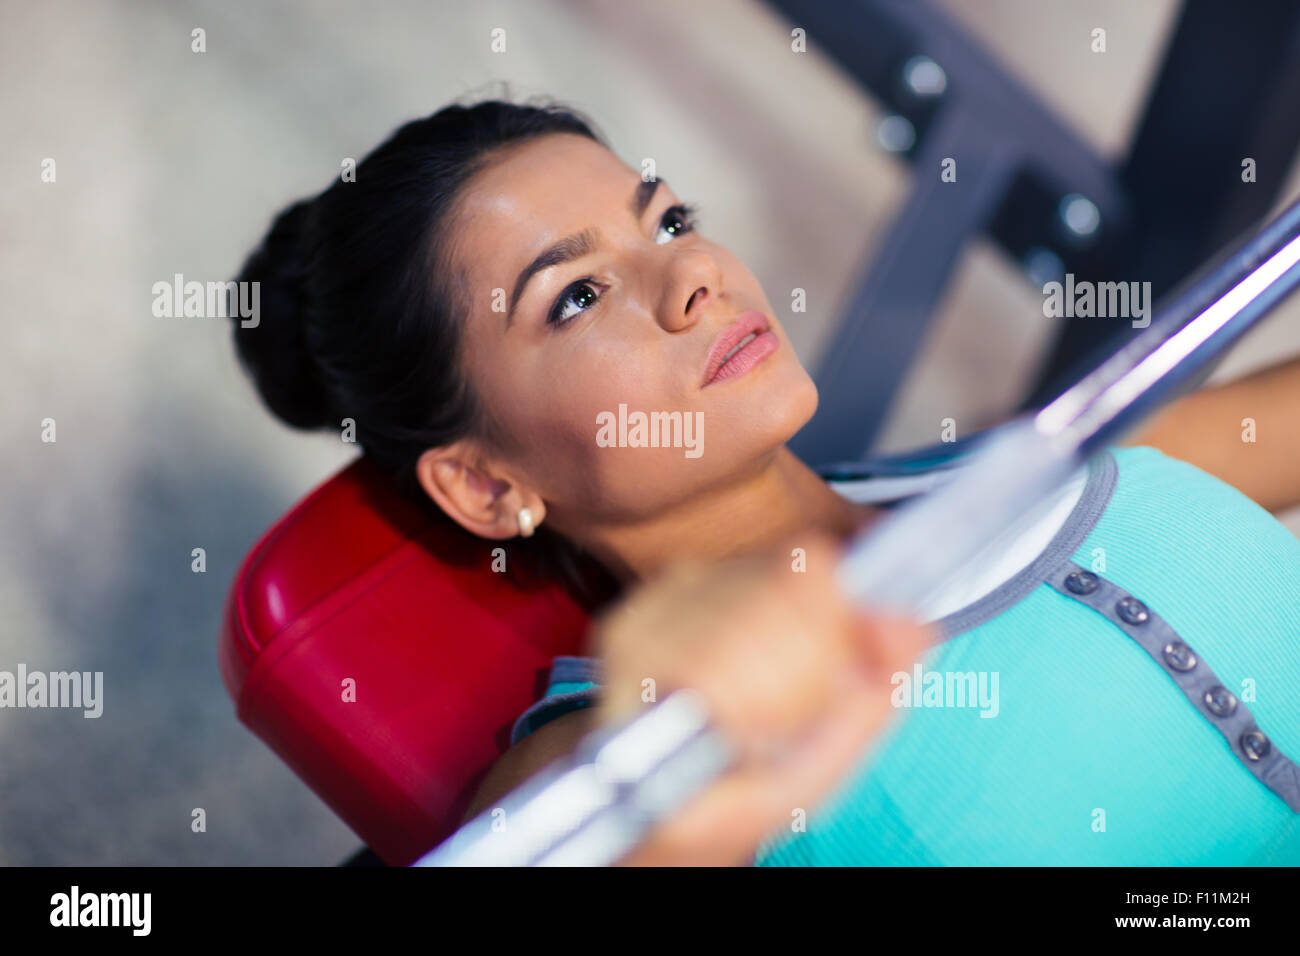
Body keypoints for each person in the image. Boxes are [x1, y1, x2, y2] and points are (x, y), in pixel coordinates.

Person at [229, 97, 1300, 865]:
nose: (694, 277)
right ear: (484, 486)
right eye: (577, 295)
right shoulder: (622, 752)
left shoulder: (1028, 459)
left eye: (670, 221)